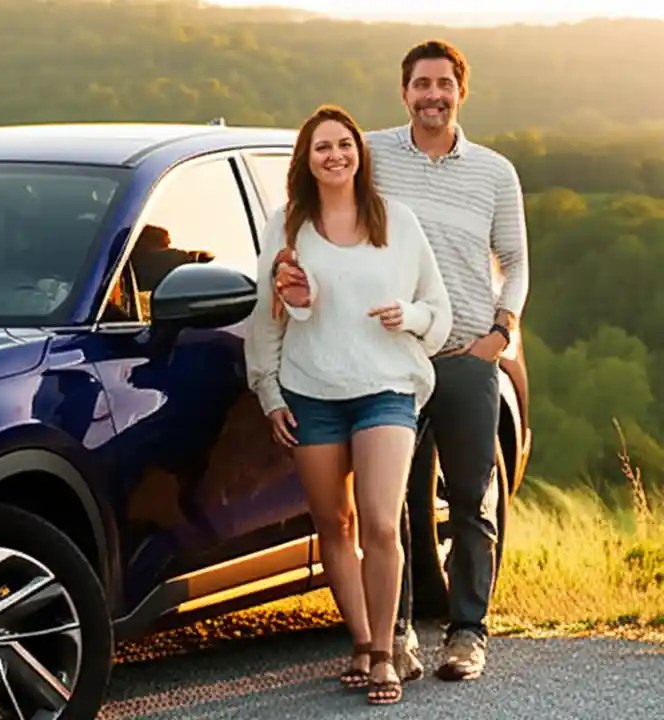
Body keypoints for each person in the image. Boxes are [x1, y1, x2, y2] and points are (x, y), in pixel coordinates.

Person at [276, 39, 530, 682]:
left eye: (444, 84)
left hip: (467, 353)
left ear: (460, 91)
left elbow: (517, 263)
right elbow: (322, 198)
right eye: (421, 84)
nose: (433, 95)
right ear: (404, 92)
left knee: (473, 501)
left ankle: (468, 632)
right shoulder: (375, 154)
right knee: (397, 507)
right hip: (387, 361)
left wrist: (500, 333)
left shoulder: (495, 172)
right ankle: (397, 635)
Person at [245, 104, 452, 705]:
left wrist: (406, 315)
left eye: (344, 144)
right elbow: (268, 315)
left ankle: (387, 653)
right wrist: (268, 390)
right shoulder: (287, 225)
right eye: (321, 148)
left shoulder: (398, 222)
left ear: (360, 154)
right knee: (335, 524)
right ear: (306, 162)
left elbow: (436, 316)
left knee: (382, 521)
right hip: (312, 392)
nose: (335, 155)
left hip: (386, 387)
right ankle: (361, 642)